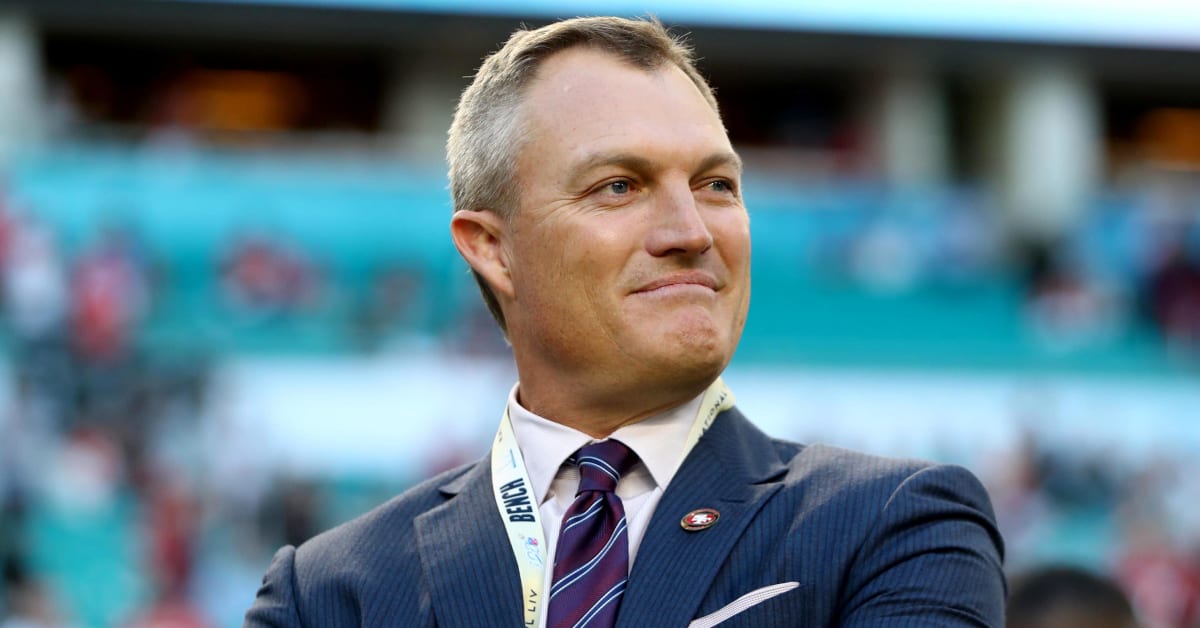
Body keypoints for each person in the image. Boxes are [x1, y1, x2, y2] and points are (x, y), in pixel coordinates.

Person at [245, 16, 1005, 627]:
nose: (692, 231)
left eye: (716, 184)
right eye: (619, 186)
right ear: (493, 249)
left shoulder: (896, 527)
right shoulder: (327, 593)